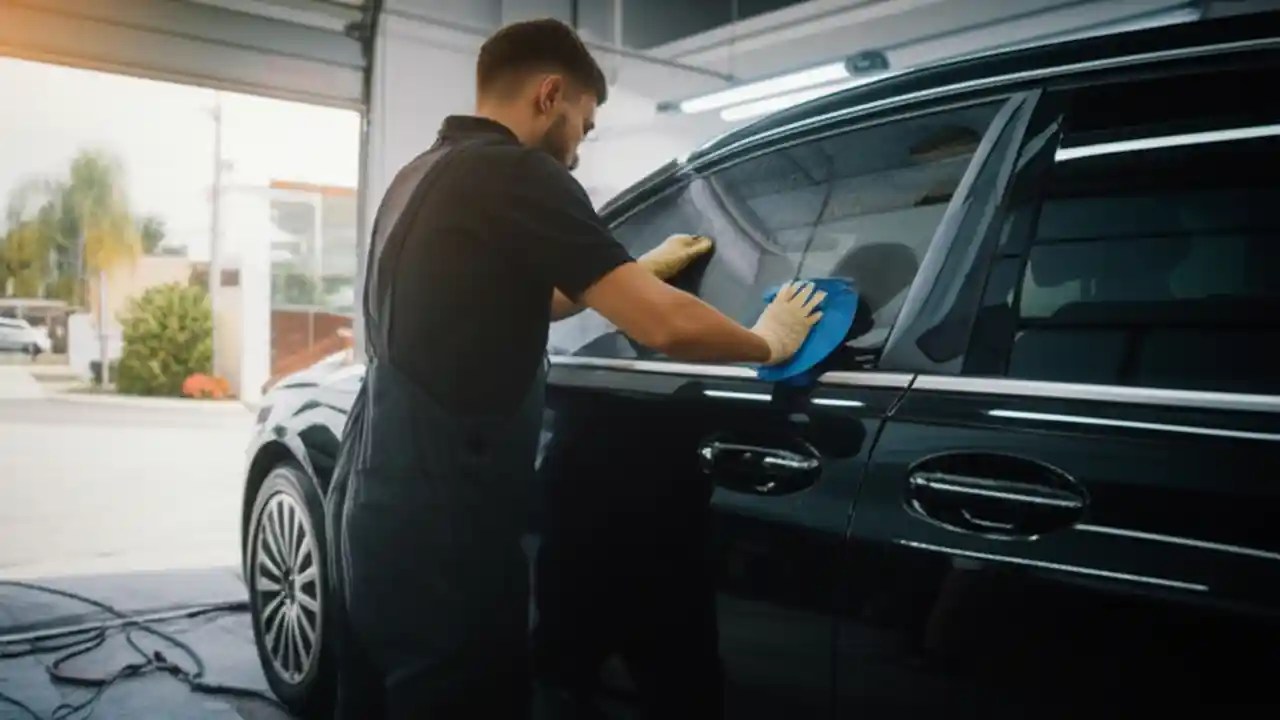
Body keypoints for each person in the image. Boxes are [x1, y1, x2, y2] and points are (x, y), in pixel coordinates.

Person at [324, 17, 826, 719]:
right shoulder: (516, 173)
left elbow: (499, 297)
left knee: (377, 699)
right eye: (585, 126)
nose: (580, 152)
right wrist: (766, 340)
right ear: (551, 93)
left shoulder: (423, 173)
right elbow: (662, 324)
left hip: (375, 495)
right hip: (444, 517)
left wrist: (630, 270)